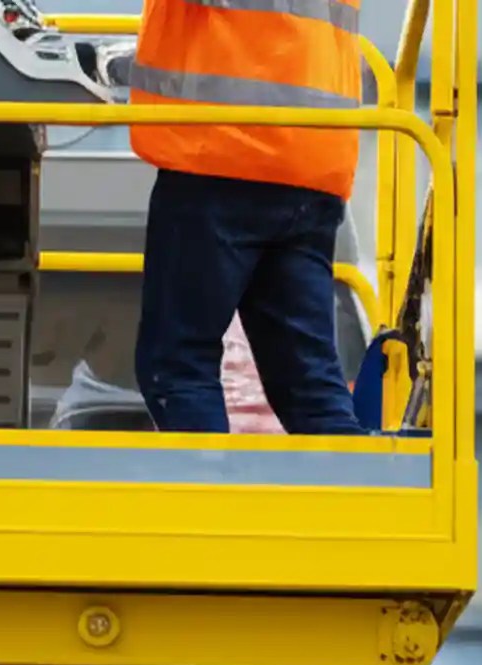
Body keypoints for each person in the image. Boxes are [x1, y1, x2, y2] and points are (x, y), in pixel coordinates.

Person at [119, 0, 367, 435]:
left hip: (224, 151)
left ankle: (211, 502)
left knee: (178, 366)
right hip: (312, 160)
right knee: (308, 383)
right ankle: (362, 500)